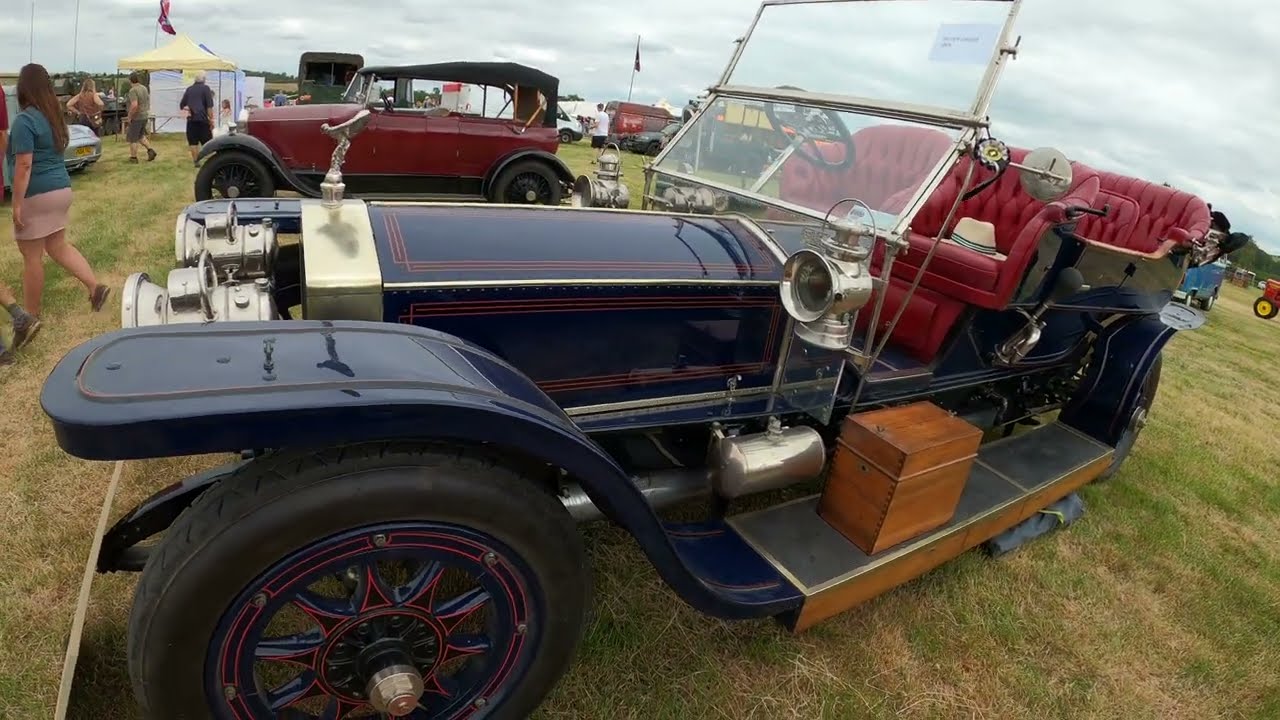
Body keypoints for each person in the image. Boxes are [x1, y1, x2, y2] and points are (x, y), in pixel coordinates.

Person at [6, 63, 110, 322]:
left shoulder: (24, 120)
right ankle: (95, 288)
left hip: (36, 194)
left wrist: (16, 203)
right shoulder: (53, 117)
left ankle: (30, 316)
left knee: (31, 255)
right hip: (61, 188)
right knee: (57, 246)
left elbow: (24, 164)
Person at [179, 70, 216, 166]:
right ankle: (211, 161)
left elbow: (182, 105)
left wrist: (188, 109)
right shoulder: (206, 89)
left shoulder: (189, 89)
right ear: (204, 80)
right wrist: (211, 120)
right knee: (208, 141)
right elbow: (209, 107)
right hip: (202, 119)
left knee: (193, 141)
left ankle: (196, 161)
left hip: (191, 119)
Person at [125, 72, 157, 163]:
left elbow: (134, 105)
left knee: (133, 138)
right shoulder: (144, 88)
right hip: (144, 115)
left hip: (137, 117)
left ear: (130, 80)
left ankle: (133, 158)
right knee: (140, 136)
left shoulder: (133, 90)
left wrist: (130, 116)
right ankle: (151, 151)